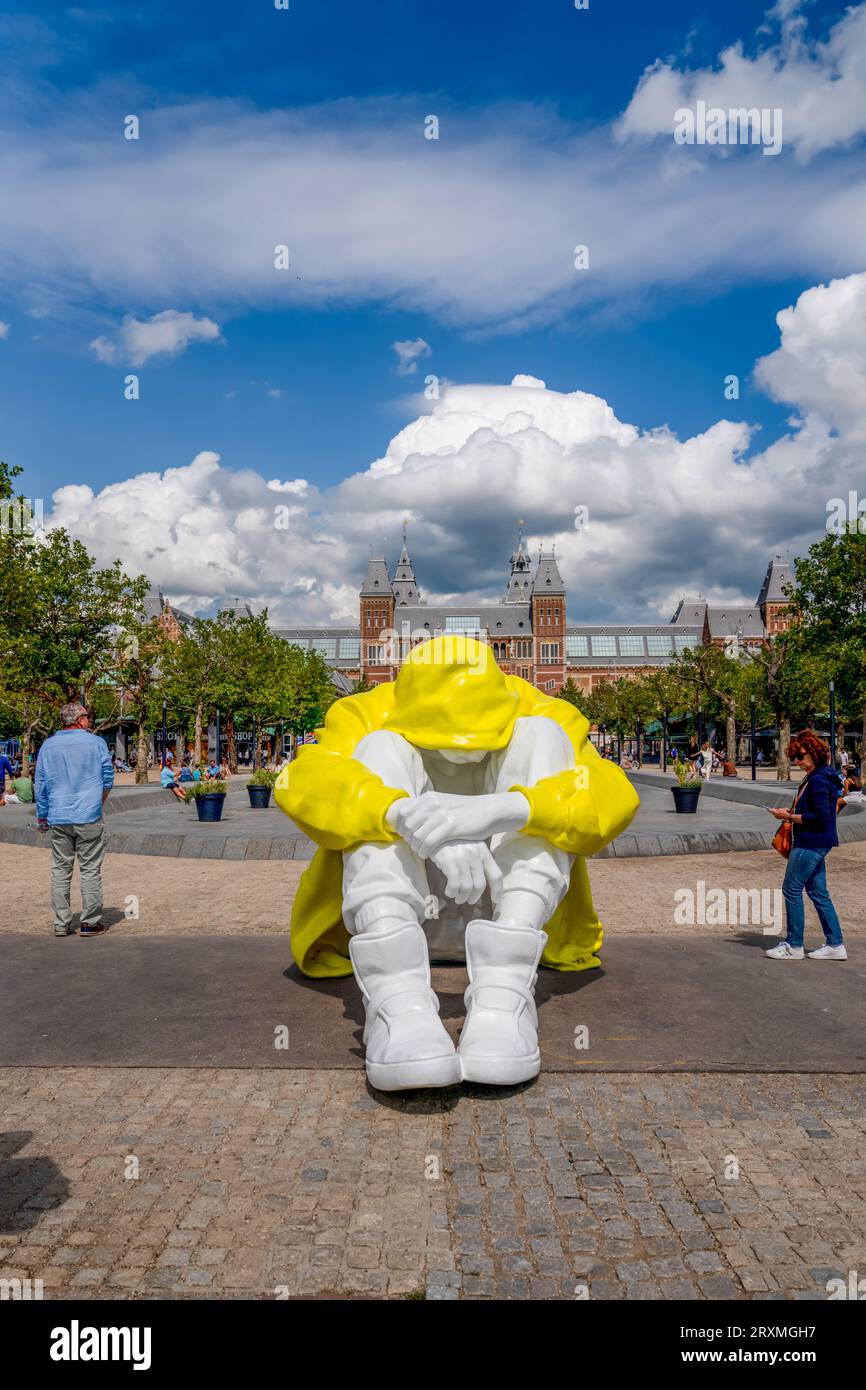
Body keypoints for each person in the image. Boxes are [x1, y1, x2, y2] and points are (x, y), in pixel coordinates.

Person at [275, 635, 639, 1091]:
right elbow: (303, 781)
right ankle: (396, 1001)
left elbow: (613, 795)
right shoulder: (368, 712)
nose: (462, 755)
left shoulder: (540, 709)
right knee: (377, 748)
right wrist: (406, 817)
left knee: (543, 738)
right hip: (393, 916)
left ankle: (503, 996)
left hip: (518, 919)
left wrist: (503, 810)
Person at [34, 702, 114, 937]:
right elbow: (108, 778)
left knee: (60, 869)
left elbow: (40, 785)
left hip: (59, 815)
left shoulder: (47, 746)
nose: (89, 720)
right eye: (87, 717)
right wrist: (98, 802)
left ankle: (61, 922)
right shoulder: (96, 742)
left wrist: (42, 816)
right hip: (89, 814)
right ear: (80, 720)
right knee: (90, 869)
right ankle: (90, 922)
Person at [766, 729, 846, 961]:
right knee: (818, 892)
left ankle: (794, 945)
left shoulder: (818, 780)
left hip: (811, 841)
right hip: (819, 840)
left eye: (800, 757)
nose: (798, 762)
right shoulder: (823, 776)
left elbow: (822, 817)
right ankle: (835, 944)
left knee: (791, 889)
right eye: (795, 758)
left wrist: (788, 817)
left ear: (814, 754)